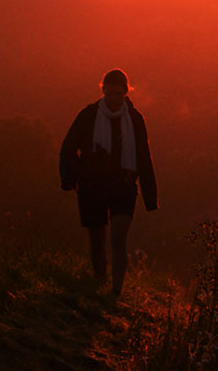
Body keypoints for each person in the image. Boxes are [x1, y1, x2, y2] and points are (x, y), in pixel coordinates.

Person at [59, 69, 157, 296]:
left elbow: (143, 156)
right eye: (109, 93)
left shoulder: (135, 119)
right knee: (97, 240)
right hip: (93, 187)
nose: (113, 98)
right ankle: (99, 281)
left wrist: (150, 196)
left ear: (126, 92)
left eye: (118, 94)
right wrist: (71, 177)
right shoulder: (89, 115)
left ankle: (116, 290)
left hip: (123, 186)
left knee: (118, 237)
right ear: (103, 91)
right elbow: (68, 147)